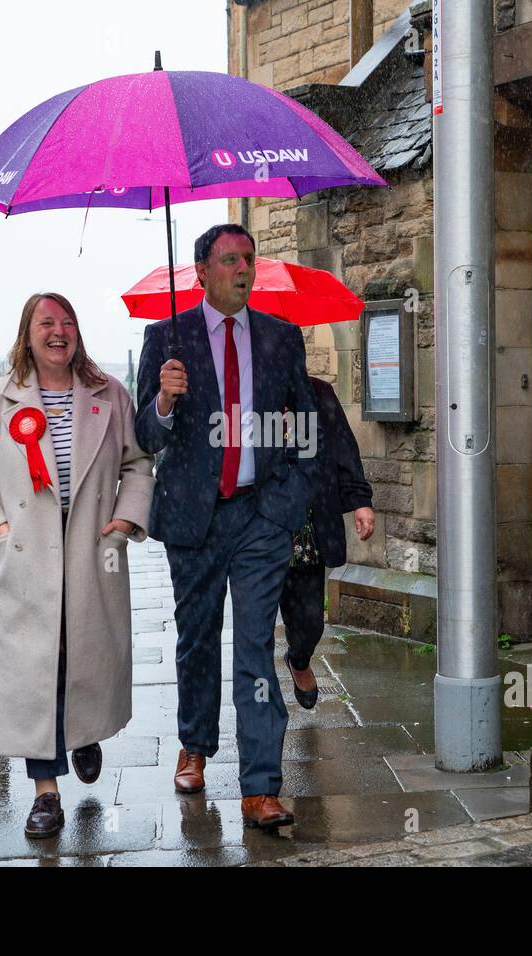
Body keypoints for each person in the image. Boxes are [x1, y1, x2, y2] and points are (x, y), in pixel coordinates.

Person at [0, 291, 153, 839]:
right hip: (24, 555)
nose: (58, 331)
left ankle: (84, 733)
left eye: (67, 322)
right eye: (46, 323)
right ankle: (45, 792)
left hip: (91, 550)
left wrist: (126, 521)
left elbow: (138, 464)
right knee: (37, 666)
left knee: (82, 652)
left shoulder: (111, 396)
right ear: (27, 333)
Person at [135, 224, 319, 831]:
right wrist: (164, 400)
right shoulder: (167, 336)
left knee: (254, 651)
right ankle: (194, 743)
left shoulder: (281, 338)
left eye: (249, 258)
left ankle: (261, 784)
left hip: (260, 519)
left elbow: (305, 429)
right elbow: (143, 436)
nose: (243, 268)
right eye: (230, 259)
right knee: (196, 640)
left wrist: (287, 505)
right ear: (202, 272)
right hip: (193, 518)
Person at [280, 376, 375, 708]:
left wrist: (360, 501)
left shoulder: (319, 394)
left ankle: (299, 658)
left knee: (309, 623)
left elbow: (343, 449)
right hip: (258, 531)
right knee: (254, 628)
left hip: (307, 530)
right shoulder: (242, 393)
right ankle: (260, 713)